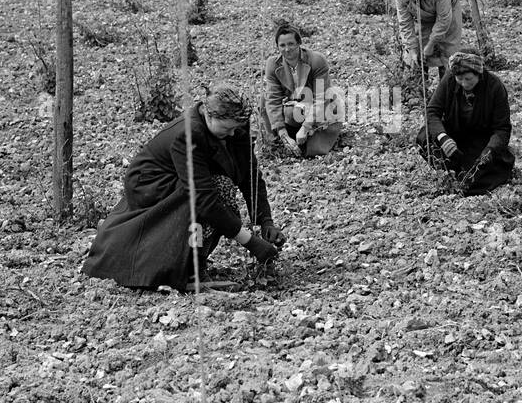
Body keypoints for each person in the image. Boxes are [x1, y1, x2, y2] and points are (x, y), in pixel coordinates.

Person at [81, 86, 286, 291]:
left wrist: (265, 221)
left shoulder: (234, 128)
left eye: (235, 129)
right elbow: (204, 199)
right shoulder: (189, 134)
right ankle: (190, 269)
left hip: (188, 181)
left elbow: (250, 174)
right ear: (208, 115)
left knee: (219, 190)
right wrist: (250, 242)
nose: (233, 134)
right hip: (151, 185)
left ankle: (197, 263)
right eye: (226, 129)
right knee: (217, 193)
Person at [417, 49, 515, 195]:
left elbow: (502, 129)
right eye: (459, 79)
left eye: (468, 79)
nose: (463, 83)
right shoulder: (450, 79)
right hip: (455, 135)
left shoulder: (495, 87)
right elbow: (432, 112)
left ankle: (463, 176)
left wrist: (489, 152)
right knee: (425, 136)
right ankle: (448, 173)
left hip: (481, 141)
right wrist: (443, 138)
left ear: (478, 74)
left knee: (478, 173)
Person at [263, 22, 345, 158]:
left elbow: (320, 98)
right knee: (264, 101)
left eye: (291, 44)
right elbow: (273, 99)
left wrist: (305, 128)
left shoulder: (316, 60)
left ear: (299, 43)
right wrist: (283, 134)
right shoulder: (273, 64)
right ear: (277, 46)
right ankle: (277, 140)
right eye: (282, 45)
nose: (287, 49)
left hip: (318, 106)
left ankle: (313, 135)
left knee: (311, 149)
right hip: (293, 107)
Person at [397, 0, 464, 81]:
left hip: (449, 7)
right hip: (424, 13)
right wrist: (413, 50)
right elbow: (405, 24)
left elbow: (444, 19)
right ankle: (419, 87)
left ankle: (448, 86)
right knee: (418, 50)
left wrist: (431, 44)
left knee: (448, 48)